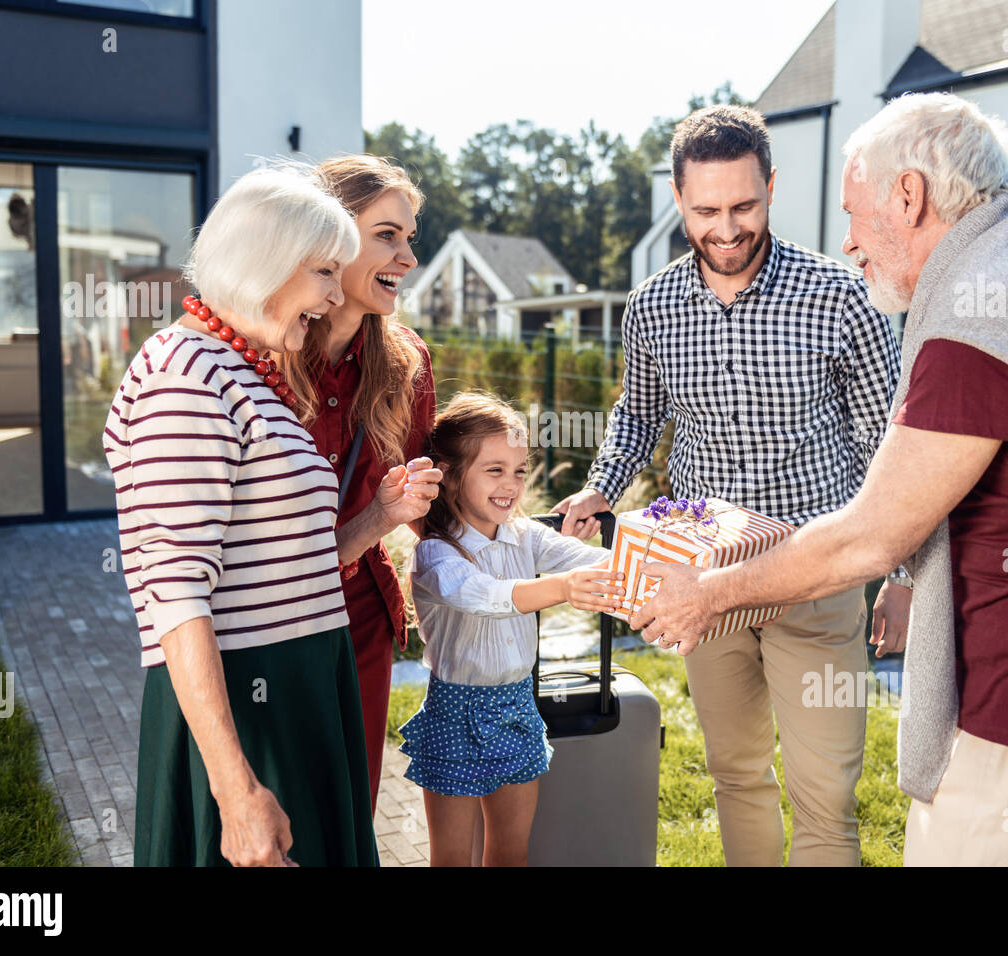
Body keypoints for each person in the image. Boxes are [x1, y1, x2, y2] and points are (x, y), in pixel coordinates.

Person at [631, 92, 1008, 867]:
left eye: (857, 213)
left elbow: (872, 534)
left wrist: (706, 593)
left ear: (909, 196)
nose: (850, 241)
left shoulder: (978, 322)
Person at [554, 105, 902, 867]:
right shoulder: (652, 308)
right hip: (699, 580)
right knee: (735, 776)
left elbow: (894, 448)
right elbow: (637, 414)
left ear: (772, 187)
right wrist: (600, 488)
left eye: (744, 205)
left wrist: (903, 575)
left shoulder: (843, 297)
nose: (727, 226)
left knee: (826, 797)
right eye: (706, 209)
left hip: (818, 577)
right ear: (678, 199)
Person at [104, 164, 436, 867]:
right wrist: (235, 790)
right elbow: (176, 592)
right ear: (267, 261)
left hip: (303, 692)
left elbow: (286, 563)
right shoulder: (184, 374)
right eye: (322, 270)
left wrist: (379, 517)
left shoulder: (247, 373)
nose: (328, 293)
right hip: (251, 708)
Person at [274, 155, 439, 815]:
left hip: (361, 621)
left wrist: (515, 560)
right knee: (278, 813)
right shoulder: (262, 355)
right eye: (387, 235)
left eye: (409, 238)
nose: (407, 256)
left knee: (348, 814)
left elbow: (428, 495)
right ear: (330, 237)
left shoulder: (407, 363)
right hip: (273, 622)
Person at [400, 392, 623, 866]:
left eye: (520, 470)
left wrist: (670, 557)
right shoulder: (436, 555)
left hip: (518, 706)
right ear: (452, 474)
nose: (512, 484)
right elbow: (487, 598)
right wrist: (562, 588)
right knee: (452, 858)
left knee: (510, 851)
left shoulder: (525, 536)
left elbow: (598, 560)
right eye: (495, 469)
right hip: (455, 716)